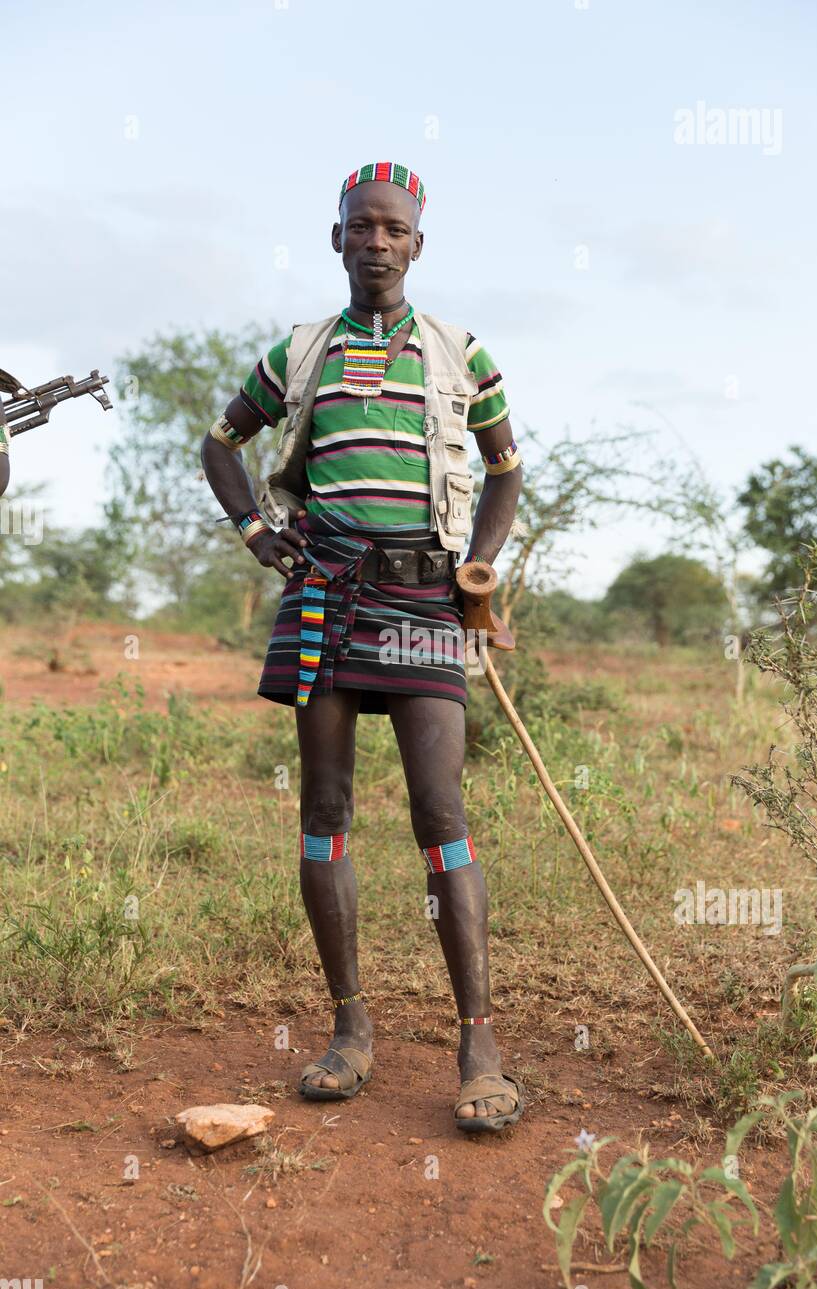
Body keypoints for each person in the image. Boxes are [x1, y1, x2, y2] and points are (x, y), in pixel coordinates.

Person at [201, 162, 525, 1133]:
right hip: (324, 591)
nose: (375, 242)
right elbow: (223, 444)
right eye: (360, 227)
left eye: (393, 228)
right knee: (325, 809)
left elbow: (505, 472)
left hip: (424, 593)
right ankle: (349, 1031)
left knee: (439, 810)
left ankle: (479, 1045)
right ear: (335, 236)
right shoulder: (300, 354)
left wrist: (478, 568)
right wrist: (257, 531)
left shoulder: (459, 351)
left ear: (416, 243)